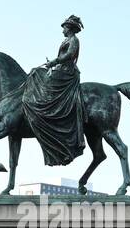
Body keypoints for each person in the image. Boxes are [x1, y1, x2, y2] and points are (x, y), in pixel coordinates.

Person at [20, 16, 86, 165]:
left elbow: (69, 56)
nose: (63, 29)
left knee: (37, 75)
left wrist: (54, 62)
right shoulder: (66, 40)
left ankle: (43, 107)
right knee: (35, 72)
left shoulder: (74, 40)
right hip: (61, 68)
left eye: (64, 27)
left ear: (69, 28)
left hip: (67, 71)